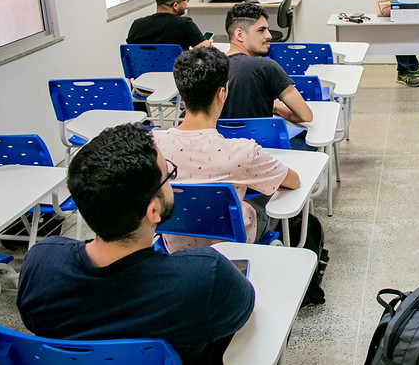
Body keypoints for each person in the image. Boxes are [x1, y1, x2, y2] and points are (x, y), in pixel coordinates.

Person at [17, 123, 254, 364]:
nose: (171, 181)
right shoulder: (204, 277)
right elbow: (245, 310)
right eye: (168, 175)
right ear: (152, 210)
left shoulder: (39, 264)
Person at [153, 47, 300, 251]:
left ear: (181, 91)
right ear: (222, 93)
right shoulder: (243, 152)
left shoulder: (153, 145)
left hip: (175, 245)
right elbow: (292, 182)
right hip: (233, 243)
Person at [220, 1, 314, 151]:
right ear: (239, 34)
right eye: (261, 30)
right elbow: (305, 115)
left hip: (222, 152)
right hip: (263, 151)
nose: (269, 35)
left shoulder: (210, 67)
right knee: (312, 141)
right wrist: (276, 107)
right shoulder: (266, 66)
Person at [126, 0, 213, 49]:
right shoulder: (185, 24)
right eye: (185, 0)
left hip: (145, 72)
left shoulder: (137, 25)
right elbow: (204, 50)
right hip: (176, 71)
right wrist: (207, 44)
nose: (186, 3)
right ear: (175, 5)